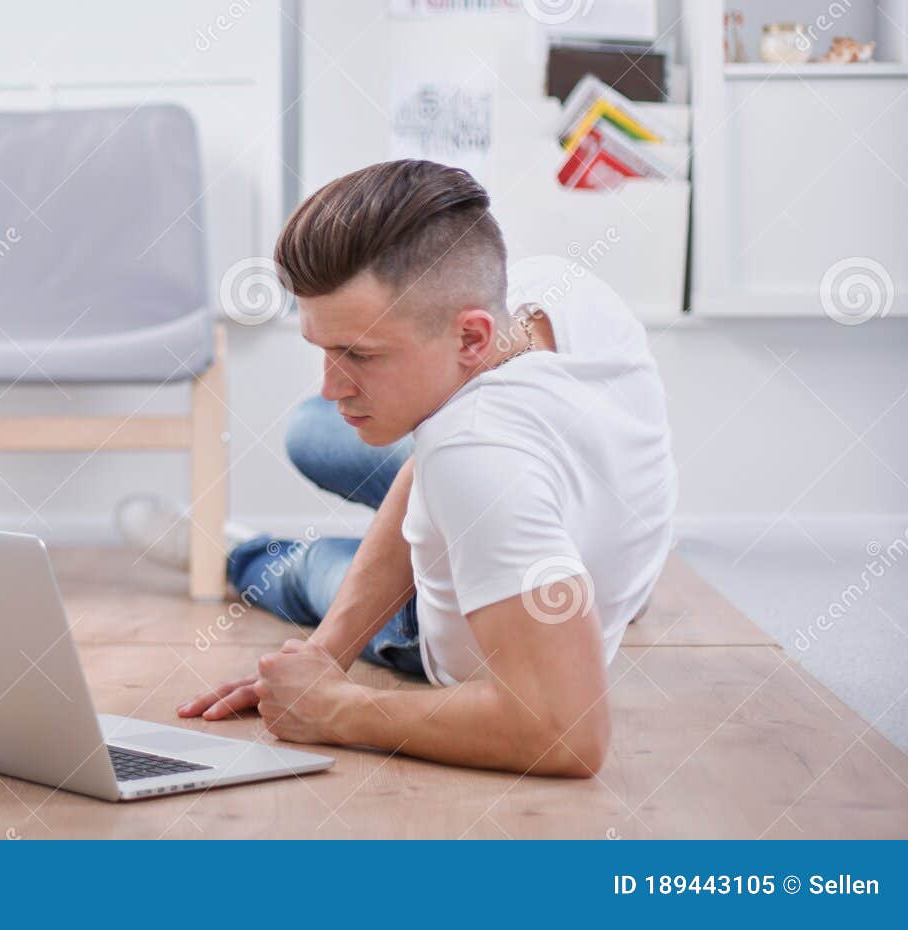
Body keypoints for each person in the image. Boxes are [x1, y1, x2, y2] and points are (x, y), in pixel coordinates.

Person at [116, 159, 676, 777]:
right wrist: (326, 652)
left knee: (305, 570)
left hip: (450, 631)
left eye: (359, 354)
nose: (333, 384)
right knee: (314, 430)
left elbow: (568, 734)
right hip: (602, 529)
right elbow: (442, 459)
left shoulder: (475, 455)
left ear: (471, 338)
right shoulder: (556, 286)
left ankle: (235, 553)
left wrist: (335, 706)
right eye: (325, 349)